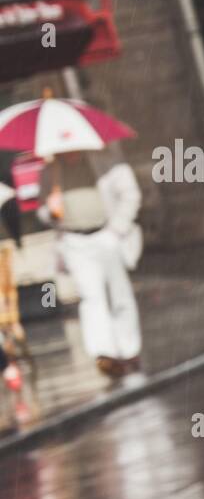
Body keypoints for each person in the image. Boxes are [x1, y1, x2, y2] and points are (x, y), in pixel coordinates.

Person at [37, 150, 143, 378]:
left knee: (120, 294)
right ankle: (104, 354)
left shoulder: (108, 162)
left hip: (107, 233)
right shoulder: (50, 173)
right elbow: (43, 212)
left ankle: (129, 349)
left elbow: (130, 194)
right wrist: (50, 210)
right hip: (75, 241)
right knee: (90, 297)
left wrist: (117, 229)